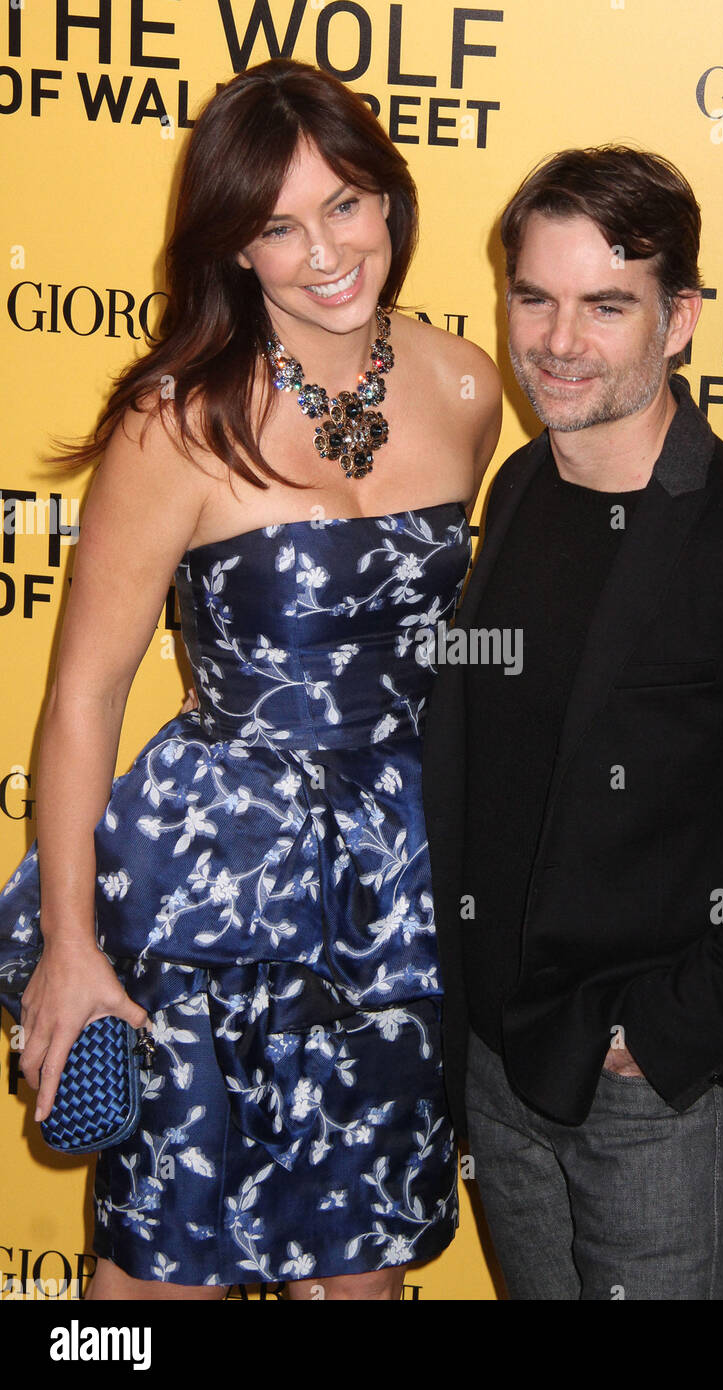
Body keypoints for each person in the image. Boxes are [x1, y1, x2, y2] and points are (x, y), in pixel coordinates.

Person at [0, 58, 501, 1300]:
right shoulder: (177, 421)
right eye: (277, 225)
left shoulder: (464, 386)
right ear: (233, 246)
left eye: (346, 204)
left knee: (364, 1275)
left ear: (391, 201)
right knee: (155, 1280)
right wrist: (71, 943)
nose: (325, 250)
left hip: (397, 894)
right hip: (214, 896)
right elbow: (80, 701)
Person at [420, 146, 723, 1300]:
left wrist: (666, 1033)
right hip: (501, 1064)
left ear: (678, 320)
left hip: (655, 1096)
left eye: (606, 305)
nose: (556, 342)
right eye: (533, 297)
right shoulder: (522, 489)